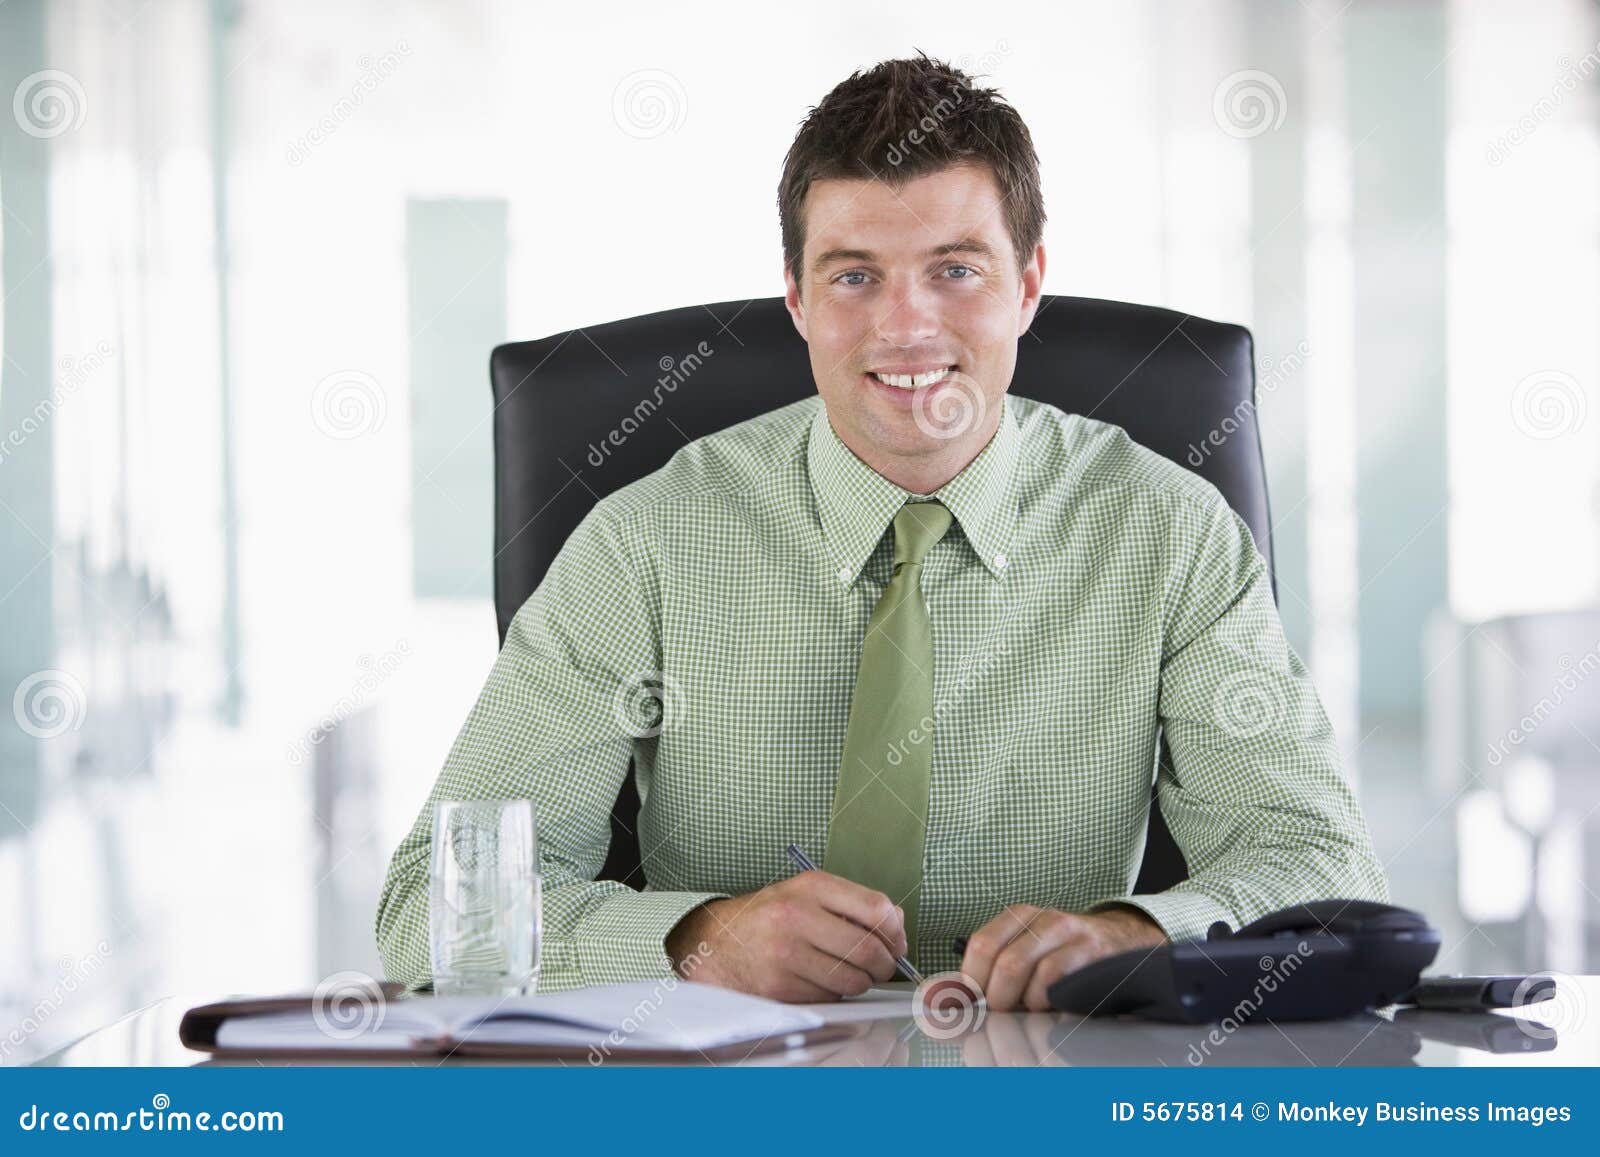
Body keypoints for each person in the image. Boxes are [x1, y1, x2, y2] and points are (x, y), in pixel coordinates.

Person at [376, 52, 1388, 1012]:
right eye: (855, 275)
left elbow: (1323, 866)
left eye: (954, 269)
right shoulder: (643, 542)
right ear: (798, 298)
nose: (905, 327)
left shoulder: (1169, 534)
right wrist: (693, 941)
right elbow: (430, 907)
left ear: (1028, 284)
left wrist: (1140, 933)